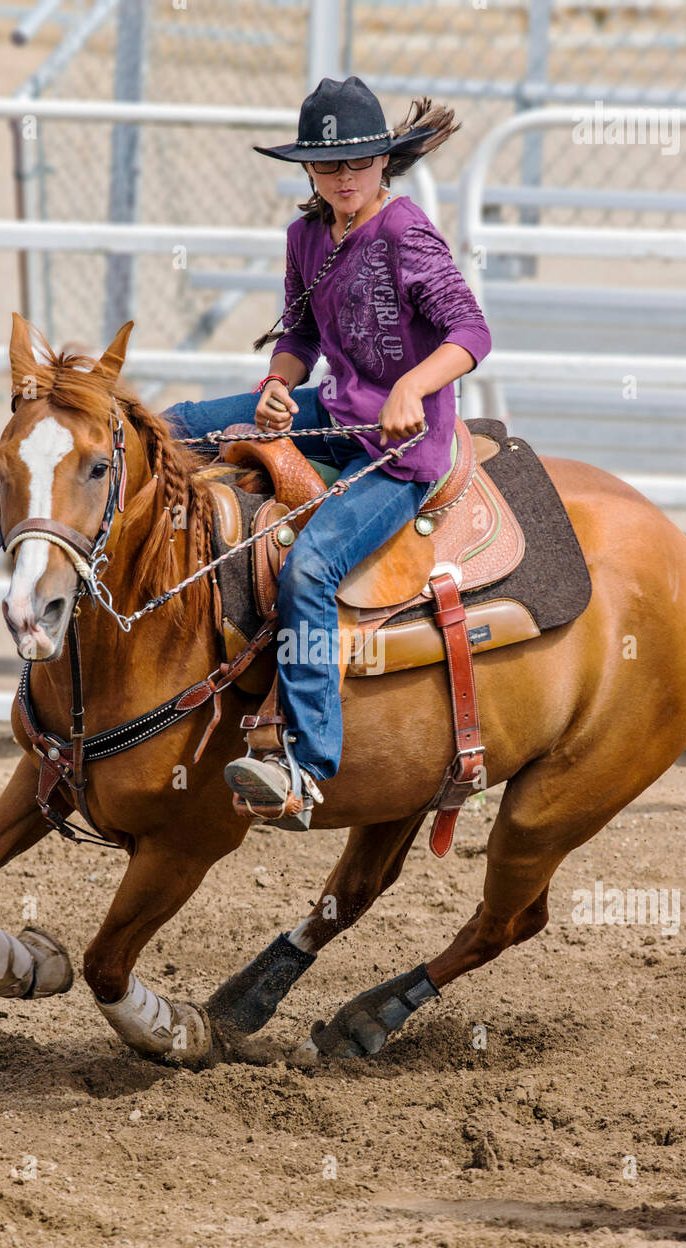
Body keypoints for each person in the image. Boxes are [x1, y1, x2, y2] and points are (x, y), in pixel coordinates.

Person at [163, 74, 491, 829]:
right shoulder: (306, 239)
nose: (343, 176)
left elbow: (471, 332)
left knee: (312, 568)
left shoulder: (407, 233)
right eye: (328, 164)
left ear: (384, 163)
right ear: (307, 169)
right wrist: (278, 385)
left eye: (357, 162)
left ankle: (307, 765)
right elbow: (300, 338)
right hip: (334, 411)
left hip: (404, 448)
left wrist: (415, 384)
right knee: (176, 426)